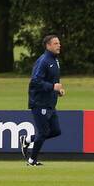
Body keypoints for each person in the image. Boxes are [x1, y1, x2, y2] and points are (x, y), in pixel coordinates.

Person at [21, 34, 64, 166]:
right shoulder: (43, 61)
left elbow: (53, 81)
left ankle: (27, 140)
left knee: (56, 131)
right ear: (48, 46)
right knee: (44, 132)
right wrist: (52, 87)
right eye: (56, 43)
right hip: (39, 102)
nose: (59, 45)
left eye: (59, 43)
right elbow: (35, 81)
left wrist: (58, 90)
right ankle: (31, 160)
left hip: (50, 103)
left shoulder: (55, 60)